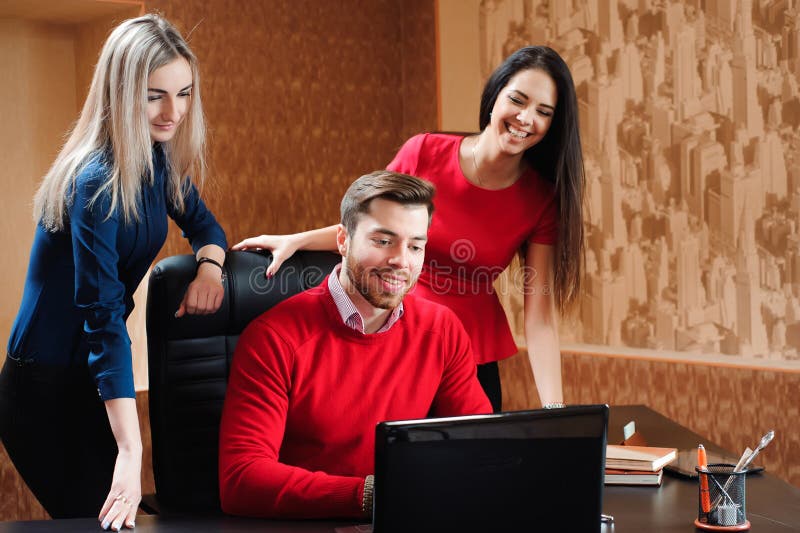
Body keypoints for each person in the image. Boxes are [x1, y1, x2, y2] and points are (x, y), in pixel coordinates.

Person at [232, 46, 585, 412]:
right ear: (495, 96)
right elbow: (373, 230)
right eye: (518, 100)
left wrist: (555, 412)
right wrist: (297, 240)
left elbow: (540, 315)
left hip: (470, 353)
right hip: (395, 334)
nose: (526, 118)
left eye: (543, 112)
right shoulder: (424, 152)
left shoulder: (542, 199)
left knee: (476, 465)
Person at [0, 14, 227, 531]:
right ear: (122, 93)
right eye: (156, 96)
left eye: (185, 92)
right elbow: (101, 315)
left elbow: (207, 227)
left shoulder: (158, 161)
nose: (174, 111)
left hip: (90, 380)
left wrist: (209, 271)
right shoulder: (95, 180)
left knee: (119, 524)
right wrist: (130, 449)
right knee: (100, 522)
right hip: (42, 389)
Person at [219, 171, 491, 519]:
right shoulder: (274, 338)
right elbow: (241, 479)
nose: (401, 261)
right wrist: (372, 495)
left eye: (415, 246)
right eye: (383, 241)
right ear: (343, 240)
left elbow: (481, 445)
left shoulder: (443, 329)